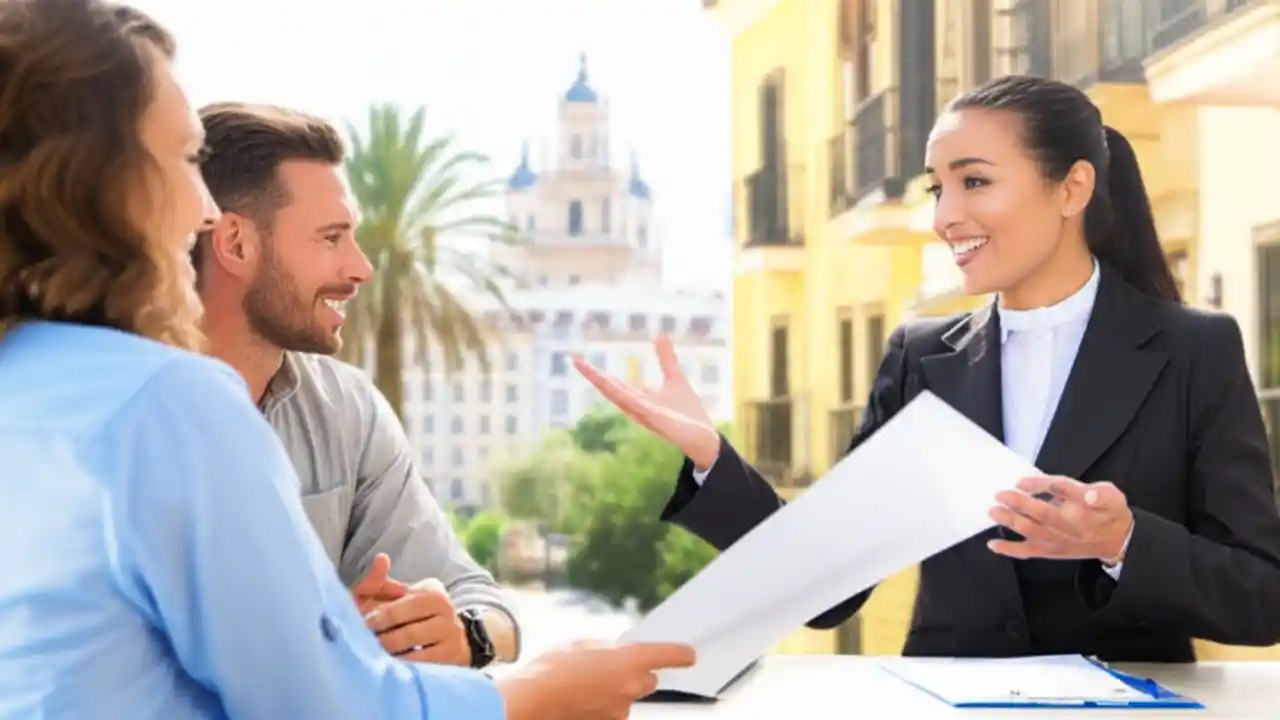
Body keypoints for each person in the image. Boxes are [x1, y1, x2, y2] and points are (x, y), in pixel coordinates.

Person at [0, 1, 693, 718]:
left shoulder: (29, 383)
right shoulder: (168, 402)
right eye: (180, 159)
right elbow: (323, 706)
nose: (203, 209)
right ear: (103, 183)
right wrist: (543, 693)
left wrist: (378, 633)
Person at [577, 74, 1280, 662]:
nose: (946, 216)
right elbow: (830, 587)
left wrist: (1122, 542)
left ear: (1072, 190)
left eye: (974, 181)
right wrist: (711, 456)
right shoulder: (921, 359)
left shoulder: (1194, 351)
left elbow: (1262, 596)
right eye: (936, 188)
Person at [190, 100, 518, 668]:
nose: (361, 267)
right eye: (331, 237)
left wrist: (466, 636)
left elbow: (481, 602)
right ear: (237, 243)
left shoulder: (346, 410)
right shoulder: (118, 414)